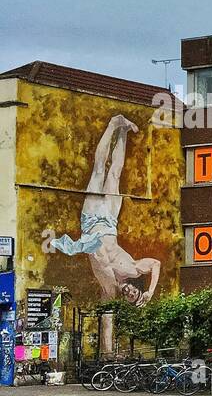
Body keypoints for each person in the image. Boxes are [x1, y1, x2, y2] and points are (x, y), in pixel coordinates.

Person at [46, 115, 161, 306]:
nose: (130, 291)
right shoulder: (132, 269)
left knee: (99, 172)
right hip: (109, 222)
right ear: (136, 287)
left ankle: (115, 127)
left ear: (125, 298)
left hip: (91, 222)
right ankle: (120, 127)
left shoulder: (109, 285)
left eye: (130, 296)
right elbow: (155, 263)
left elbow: (107, 307)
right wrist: (150, 292)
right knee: (114, 174)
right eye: (135, 292)